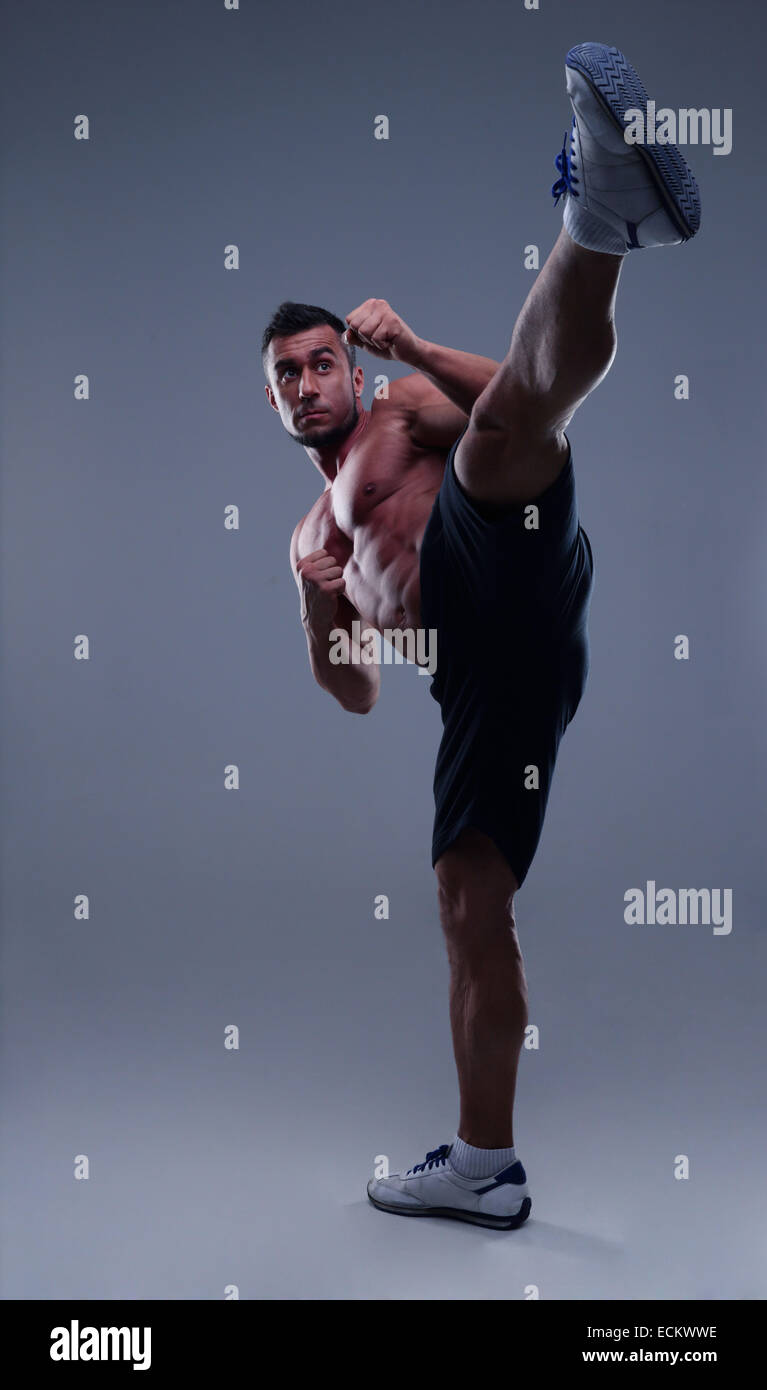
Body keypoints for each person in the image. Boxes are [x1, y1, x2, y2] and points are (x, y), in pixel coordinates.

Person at [262, 42, 701, 1230]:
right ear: (274, 401)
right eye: (286, 377)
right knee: (467, 895)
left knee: (506, 432)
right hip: (482, 674)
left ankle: (601, 220)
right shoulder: (311, 530)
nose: (308, 384)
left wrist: (404, 349)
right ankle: (483, 1163)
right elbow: (353, 695)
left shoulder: (399, 404)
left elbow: (522, 392)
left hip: (497, 546)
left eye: (320, 363)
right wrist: (317, 602)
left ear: (345, 368)